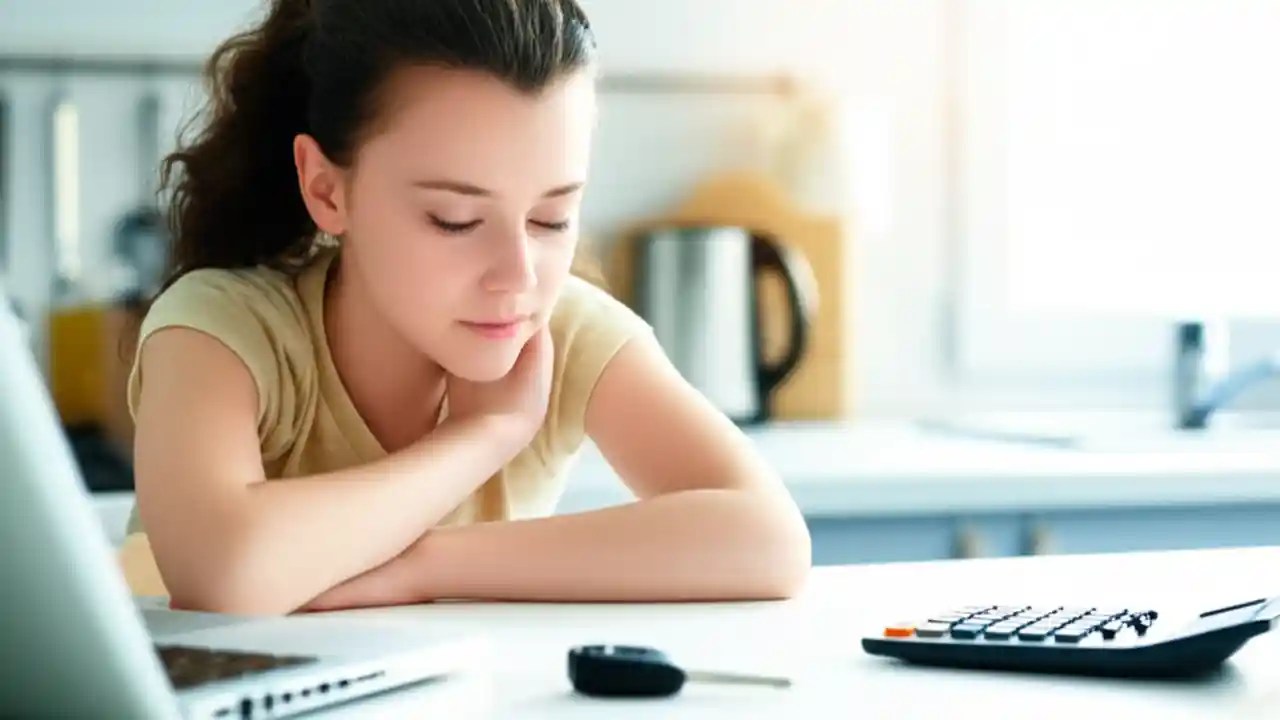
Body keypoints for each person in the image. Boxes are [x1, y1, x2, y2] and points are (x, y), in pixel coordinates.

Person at [118, 0, 811, 615]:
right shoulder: (220, 327)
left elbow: (769, 540)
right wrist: (482, 436)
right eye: (454, 220)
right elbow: (226, 573)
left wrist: (427, 565)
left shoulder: (563, 330)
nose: (516, 277)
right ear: (328, 190)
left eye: (551, 219)